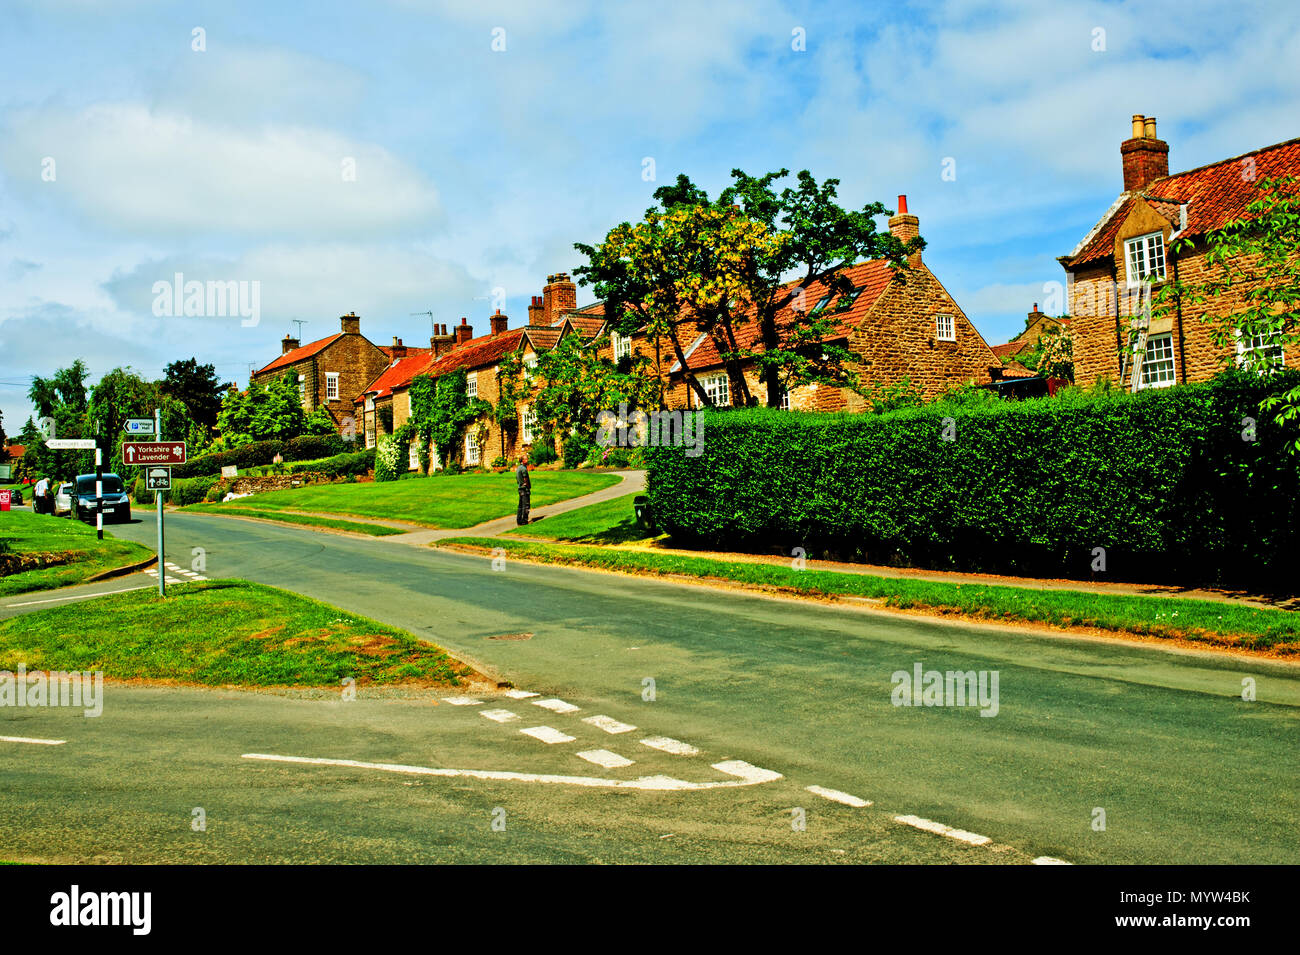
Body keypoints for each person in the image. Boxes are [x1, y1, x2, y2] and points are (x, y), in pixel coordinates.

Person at [515, 451, 531, 525]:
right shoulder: (524, 469)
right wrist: (528, 486)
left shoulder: (518, 468)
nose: (527, 460)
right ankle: (524, 520)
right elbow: (525, 479)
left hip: (520, 488)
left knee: (520, 505)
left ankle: (519, 520)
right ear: (522, 460)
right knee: (526, 505)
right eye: (526, 459)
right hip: (524, 489)